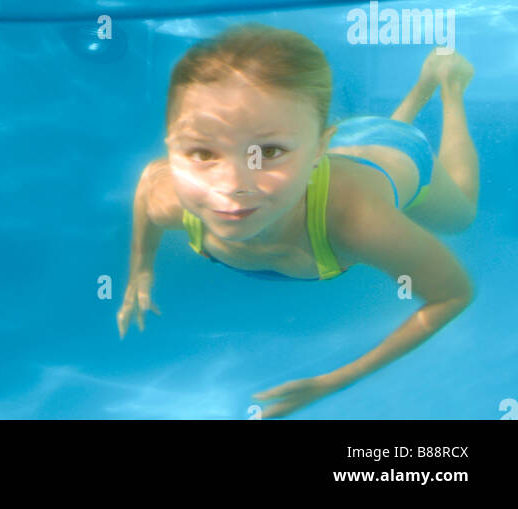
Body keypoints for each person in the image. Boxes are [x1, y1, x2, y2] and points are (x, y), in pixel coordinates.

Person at [117, 24, 478, 419]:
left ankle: (448, 85)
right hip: (313, 139)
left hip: (395, 156)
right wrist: (141, 270)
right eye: (203, 153)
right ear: (173, 149)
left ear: (319, 149)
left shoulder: (356, 222)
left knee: (461, 217)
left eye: (267, 153)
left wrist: (334, 381)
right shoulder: (172, 196)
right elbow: (147, 185)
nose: (232, 187)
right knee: (316, 143)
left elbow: (452, 295)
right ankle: (412, 91)